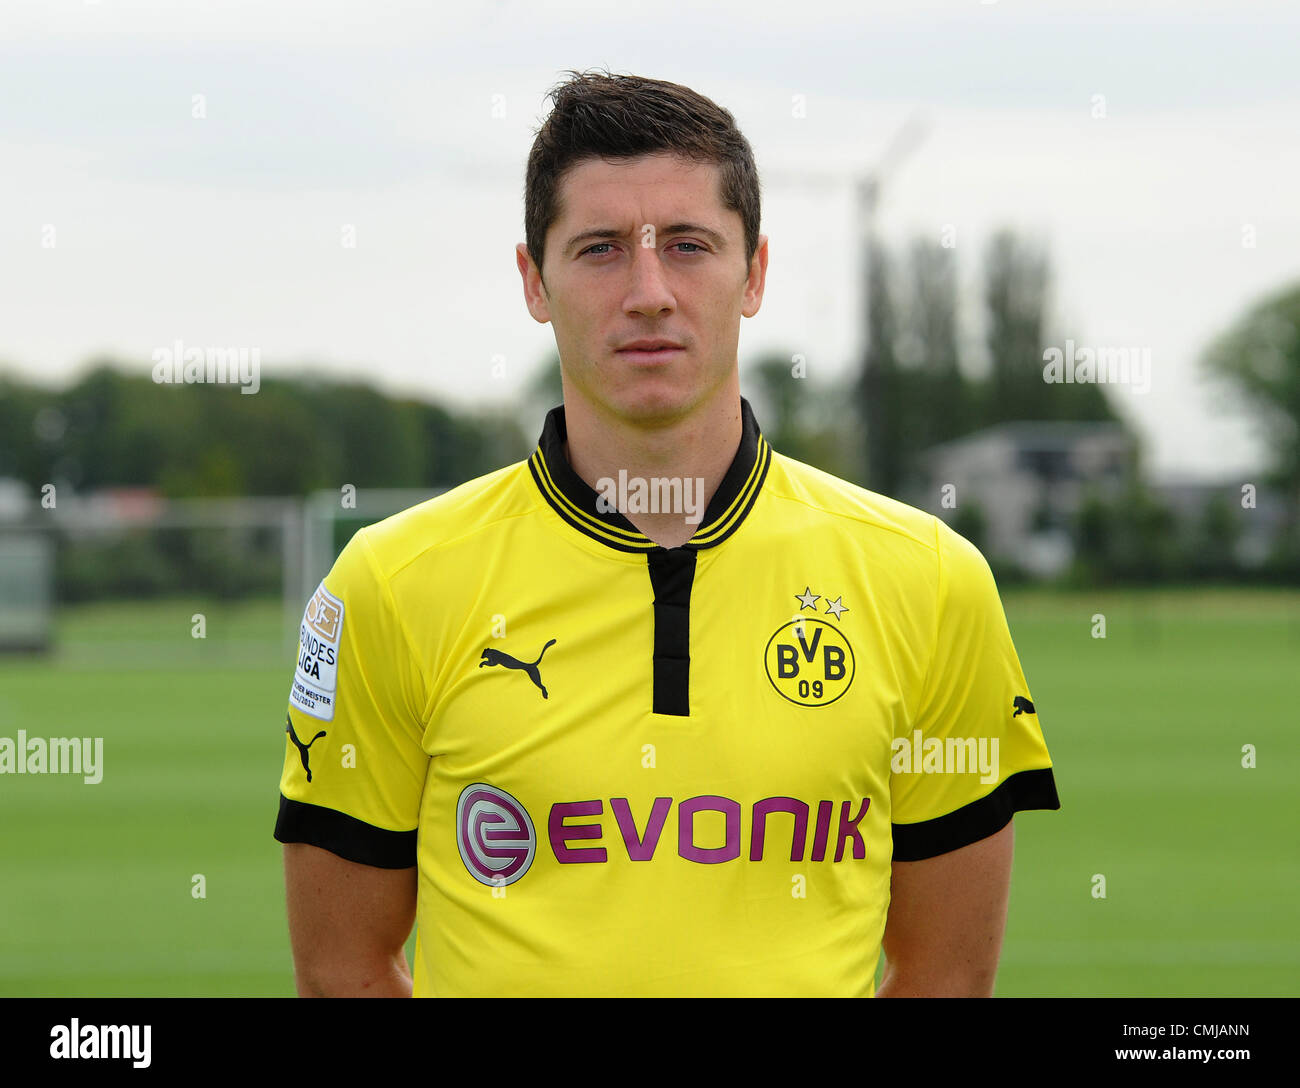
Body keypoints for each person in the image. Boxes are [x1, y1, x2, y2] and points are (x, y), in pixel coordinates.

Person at [274, 69, 1059, 998]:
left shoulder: (930, 582)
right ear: (534, 280)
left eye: (688, 246)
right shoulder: (390, 584)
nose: (649, 291)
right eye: (600, 249)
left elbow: (947, 976)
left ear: (754, 273)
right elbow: (341, 970)